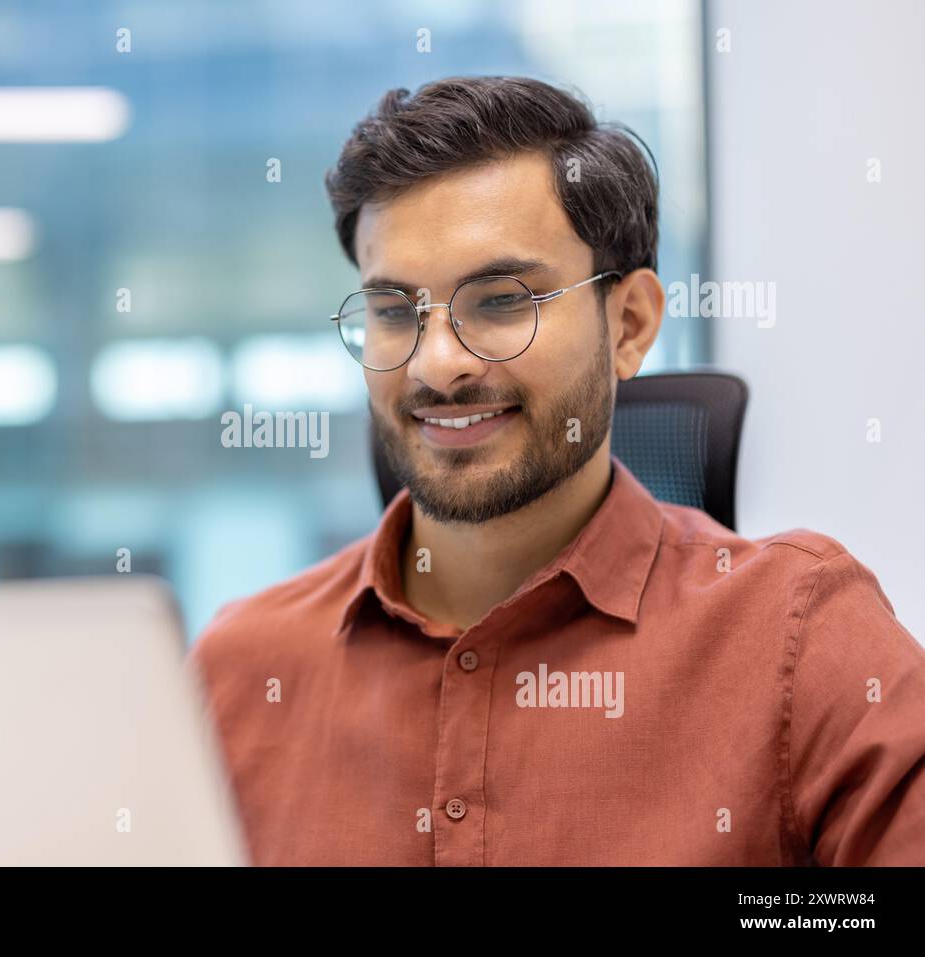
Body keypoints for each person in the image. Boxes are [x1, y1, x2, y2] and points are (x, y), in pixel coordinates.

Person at [187, 75, 925, 866]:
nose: (438, 365)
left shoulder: (802, 636)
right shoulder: (237, 671)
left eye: (502, 300)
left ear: (631, 324)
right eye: (396, 310)